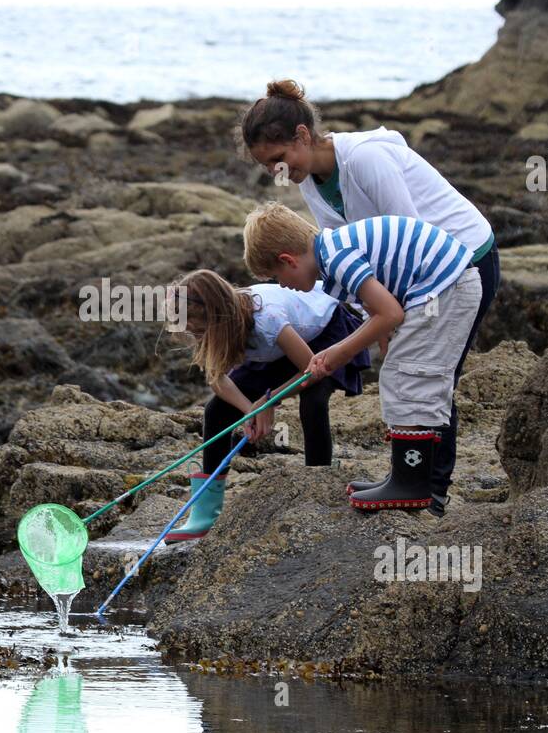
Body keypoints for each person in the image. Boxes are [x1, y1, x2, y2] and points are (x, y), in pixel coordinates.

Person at [236, 79, 500, 516]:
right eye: (268, 168)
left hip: (458, 262)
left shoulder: (366, 158)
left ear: (303, 136)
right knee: (408, 373)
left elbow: (413, 234)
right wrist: (379, 326)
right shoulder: (309, 185)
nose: (278, 173)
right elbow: (354, 265)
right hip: (412, 282)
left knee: (428, 375)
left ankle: (428, 488)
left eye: (278, 160)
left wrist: (382, 326)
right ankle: (409, 479)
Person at [242, 202, 481, 513]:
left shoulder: (337, 258)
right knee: (401, 376)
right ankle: (406, 475)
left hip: (444, 289)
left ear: (288, 260)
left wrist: (341, 349)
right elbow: (381, 304)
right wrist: (376, 341)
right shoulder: (333, 252)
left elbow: (390, 313)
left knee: (409, 380)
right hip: (442, 286)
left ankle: (411, 483)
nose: (282, 285)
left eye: (277, 276)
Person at [163, 269, 368, 541]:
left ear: (214, 312)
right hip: (278, 349)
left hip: (325, 335)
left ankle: (316, 487)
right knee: (217, 410)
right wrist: (251, 409)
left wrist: (270, 401)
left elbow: (311, 371)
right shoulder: (214, 324)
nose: (194, 333)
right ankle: (204, 512)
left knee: (313, 401)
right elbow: (217, 378)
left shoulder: (267, 318)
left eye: (195, 327)